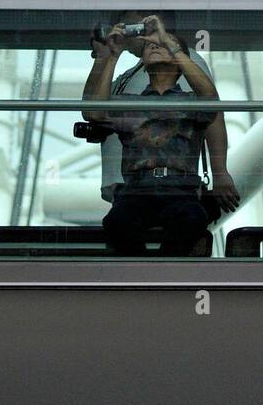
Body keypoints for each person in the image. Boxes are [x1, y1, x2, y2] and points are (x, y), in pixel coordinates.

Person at [82, 16, 224, 255]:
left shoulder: (191, 103)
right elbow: (95, 112)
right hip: (136, 189)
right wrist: (113, 55)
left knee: (191, 217)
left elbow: (212, 100)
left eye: (163, 44)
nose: (155, 46)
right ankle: (144, 276)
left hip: (181, 190)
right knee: (118, 221)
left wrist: (174, 47)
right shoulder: (130, 104)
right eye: (149, 46)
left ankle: (160, 275)